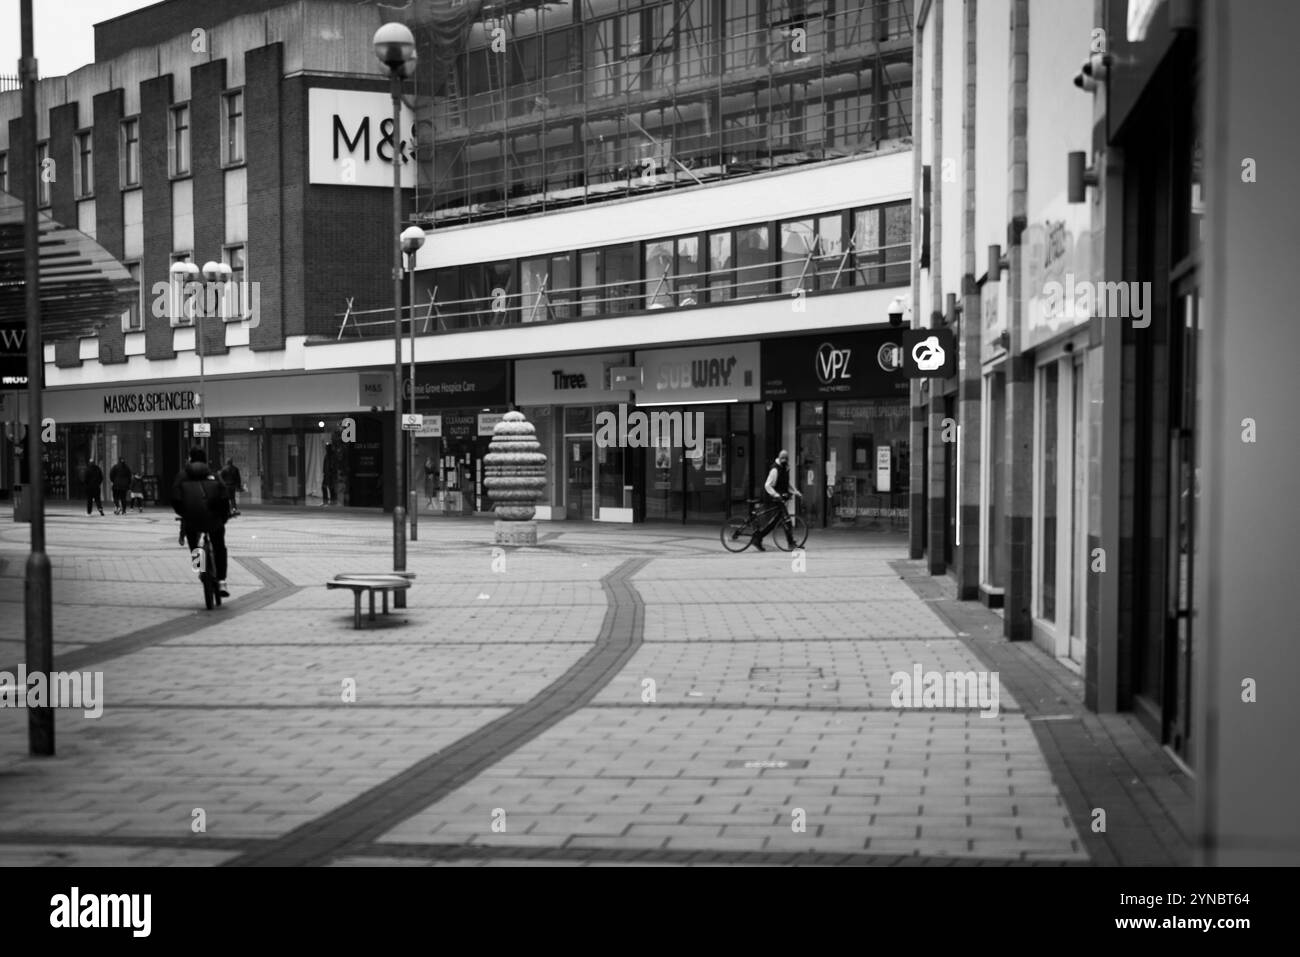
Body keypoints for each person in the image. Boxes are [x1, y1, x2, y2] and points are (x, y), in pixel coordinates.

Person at [171, 447, 232, 598]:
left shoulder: (182, 476)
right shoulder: (214, 474)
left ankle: (200, 569)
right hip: (214, 519)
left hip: (192, 519)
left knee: (194, 544)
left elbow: (175, 498)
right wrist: (223, 517)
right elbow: (224, 497)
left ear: (190, 459)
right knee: (219, 547)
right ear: (205, 460)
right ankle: (222, 580)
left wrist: (184, 513)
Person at [751, 449, 802, 551]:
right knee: (787, 520)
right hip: (774, 498)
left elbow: (787, 483)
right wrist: (775, 494)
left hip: (780, 498)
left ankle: (758, 538)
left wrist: (795, 491)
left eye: (785, 458)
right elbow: (767, 485)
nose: (784, 460)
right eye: (782, 458)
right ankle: (791, 543)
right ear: (779, 458)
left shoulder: (786, 467)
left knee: (774, 522)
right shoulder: (775, 469)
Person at [321, 441, 337, 506]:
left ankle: (332, 500)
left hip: (330, 475)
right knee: (324, 487)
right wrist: (324, 472)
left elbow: (332, 466)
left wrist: (331, 472)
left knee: (331, 487)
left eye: (327, 447)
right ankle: (326, 500)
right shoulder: (327, 455)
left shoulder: (331, 456)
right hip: (327, 474)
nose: (326, 448)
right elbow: (325, 465)